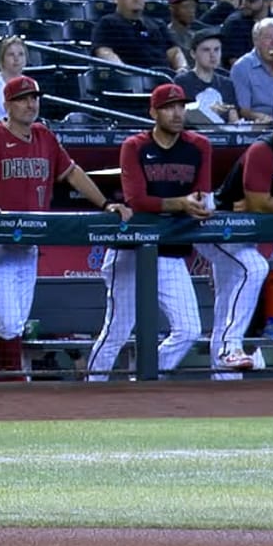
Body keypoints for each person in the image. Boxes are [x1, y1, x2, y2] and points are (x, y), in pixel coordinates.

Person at [0, 75, 127, 378]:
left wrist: (106, 203)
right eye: (22, 99)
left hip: (30, 243)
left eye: (34, 98)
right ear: (7, 104)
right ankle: (11, 378)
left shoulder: (44, 136)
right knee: (9, 321)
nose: (30, 104)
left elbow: (73, 173)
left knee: (15, 322)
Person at [85, 84, 210, 381]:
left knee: (189, 329)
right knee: (118, 328)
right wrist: (181, 203)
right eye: (168, 107)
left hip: (170, 250)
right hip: (130, 249)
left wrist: (198, 203)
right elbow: (137, 200)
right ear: (153, 112)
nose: (177, 113)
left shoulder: (199, 146)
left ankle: (147, 376)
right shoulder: (136, 146)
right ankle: (92, 384)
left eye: (181, 106)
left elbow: (202, 194)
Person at [203, 106, 273, 378]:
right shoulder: (262, 150)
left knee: (226, 299)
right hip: (216, 221)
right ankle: (231, 346)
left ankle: (222, 377)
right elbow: (259, 205)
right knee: (255, 268)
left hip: (244, 232)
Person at [92, 0, 186, 71]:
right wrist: (124, 71)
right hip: (130, 77)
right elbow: (104, 52)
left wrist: (182, 68)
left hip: (163, 76)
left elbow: (174, 52)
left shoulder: (158, 24)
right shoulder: (107, 23)